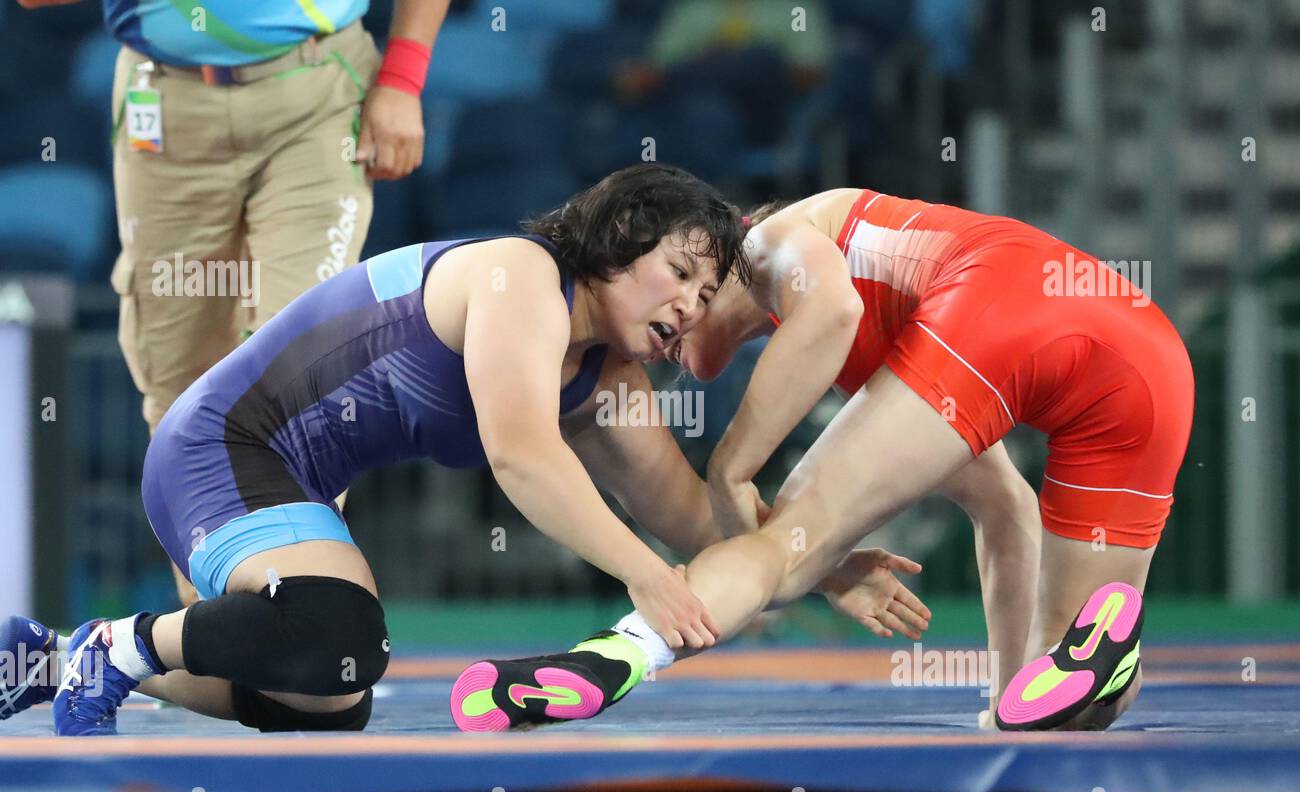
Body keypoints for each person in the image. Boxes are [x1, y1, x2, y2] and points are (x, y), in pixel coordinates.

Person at [0, 165, 917, 735]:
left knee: (326, 692)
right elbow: (521, 457)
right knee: (337, 634)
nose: (688, 307)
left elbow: (686, 514)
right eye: (678, 274)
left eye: (704, 291)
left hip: (291, 483)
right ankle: (118, 646)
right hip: (223, 447)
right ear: (616, 239)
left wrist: (825, 566)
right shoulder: (522, 276)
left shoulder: (606, 379)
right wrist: (645, 576)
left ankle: (54, 657)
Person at [456, 186, 1193, 733]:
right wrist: (1007, 701)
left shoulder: (775, 238)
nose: (680, 316)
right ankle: (1084, 668)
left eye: (697, 289)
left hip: (1003, 303)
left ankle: (621, 652)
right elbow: (1000, 502)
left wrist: (731, 468)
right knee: (1089, 696)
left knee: (782, 550)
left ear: (724, 259)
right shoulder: (871, 340)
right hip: (1145, 355)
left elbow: (832, 310)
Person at [17, 0, 452, 606]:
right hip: (164, 98)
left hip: (317, 91)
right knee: (179, 384)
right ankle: (213, 632)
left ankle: (299, 614)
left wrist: (403, 79)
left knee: (303, 372)